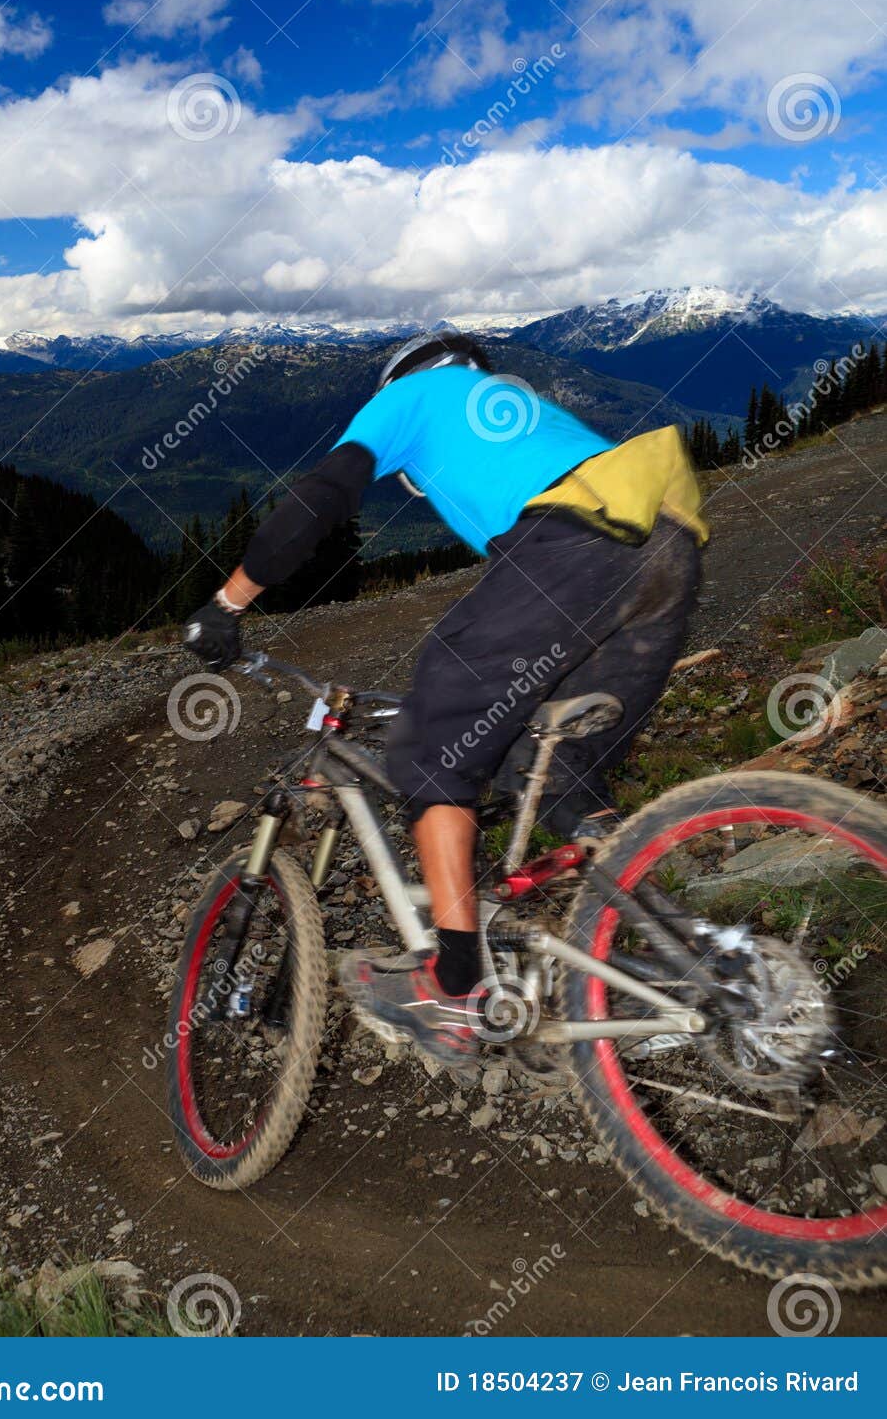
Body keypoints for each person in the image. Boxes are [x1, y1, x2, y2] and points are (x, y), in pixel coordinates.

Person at [184, 332, 707, 1067]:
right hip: (668, 542)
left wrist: (228, 604)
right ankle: (685, 967)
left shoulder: (409, 397)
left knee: (433, 749)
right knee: (558, 780)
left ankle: (453, 987)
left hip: (576, 539)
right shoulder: (514, 414)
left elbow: (321, 497)